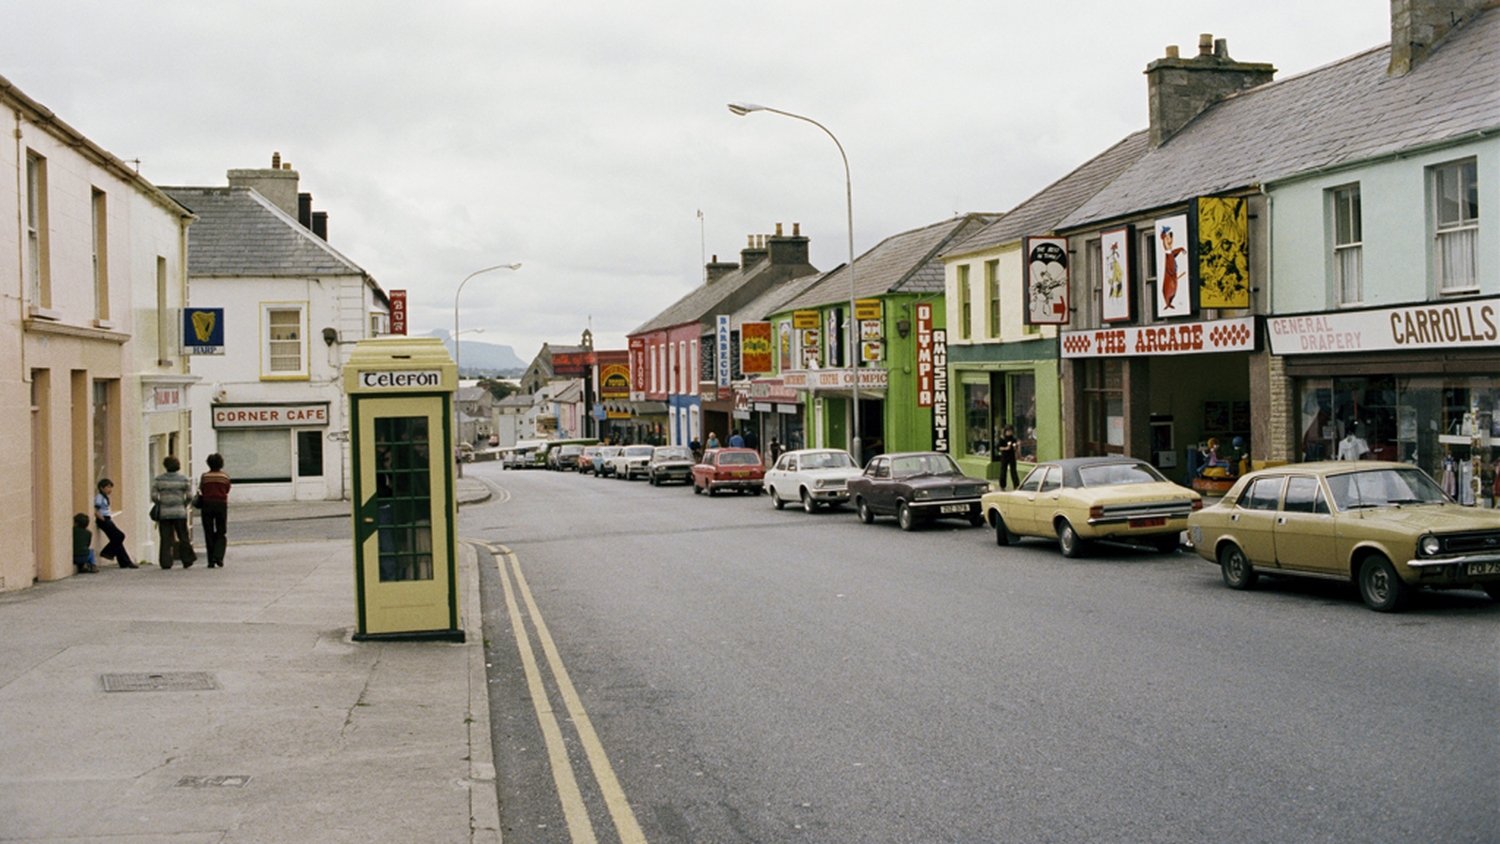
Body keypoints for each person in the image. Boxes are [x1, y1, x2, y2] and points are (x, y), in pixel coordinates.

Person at [151, 456, 197, 570]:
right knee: (183, 536)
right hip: (179, 511)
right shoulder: (183, 479)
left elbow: (154, 496)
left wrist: (161, 502)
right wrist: (184, 504)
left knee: (166, 538)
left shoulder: (159, 480)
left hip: (164, 512)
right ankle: (187, 559)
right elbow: (190, 496)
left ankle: (166, 562)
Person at [198, 452, 232, 568]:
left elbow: (201, 489)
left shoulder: (205, 477)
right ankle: (219, 556)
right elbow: (227, 489)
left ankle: (210, 560)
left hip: (207, 505)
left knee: (208, 531)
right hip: (221, 504)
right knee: (221, 531)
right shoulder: (225, 477)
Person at [93, 478, 137, 569]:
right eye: (108, 487)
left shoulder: (105, 497)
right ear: (101, 488)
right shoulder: (99, 497)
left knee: (117, 541)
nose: (110, 490)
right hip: (104, 520)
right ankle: (107, 552)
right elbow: (96, 511)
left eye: (110, 487)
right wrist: (103, 520)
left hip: (107, 518)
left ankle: (124, 562)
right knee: (119, 536)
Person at [995, 425, 1020, 490]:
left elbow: (1016, 448)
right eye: (1008, 431)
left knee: (1013, 471)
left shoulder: (1013, 439)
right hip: (1004, 456)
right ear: (1005, 431)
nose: (1009, 432)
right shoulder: (1002, 438)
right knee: (1003, 470)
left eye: (1011, 431)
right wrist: (1006, 448)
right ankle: (1002, 485)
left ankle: (1016, 485)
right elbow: (998, 447)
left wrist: (1015, 447)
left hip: (1011, 456)